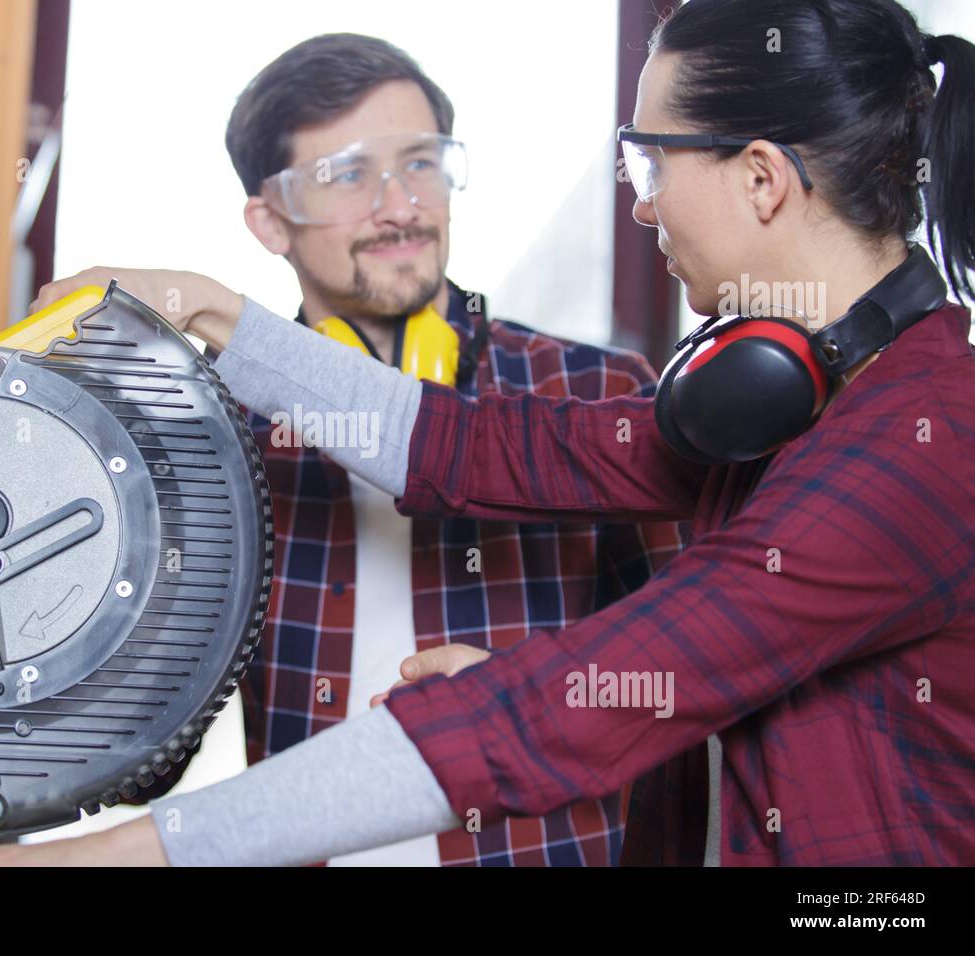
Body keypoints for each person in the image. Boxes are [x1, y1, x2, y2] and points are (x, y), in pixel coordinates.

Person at [0, 0, 975, 867]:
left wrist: (118, 855)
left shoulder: (919, 447)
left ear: (759, 177)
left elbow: (608, 691)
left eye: (649, 161)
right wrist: (210, 309)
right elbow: (479, 448)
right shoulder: (788, 396)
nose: (642, 205)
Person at [96, 33, 682, 868]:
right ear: (269, 221)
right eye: (347, 174)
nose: (400, 205)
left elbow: (695, 688)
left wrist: (541, 696)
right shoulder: (209, 443)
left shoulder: (597, 394)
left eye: (420, 163)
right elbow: (140, 767)